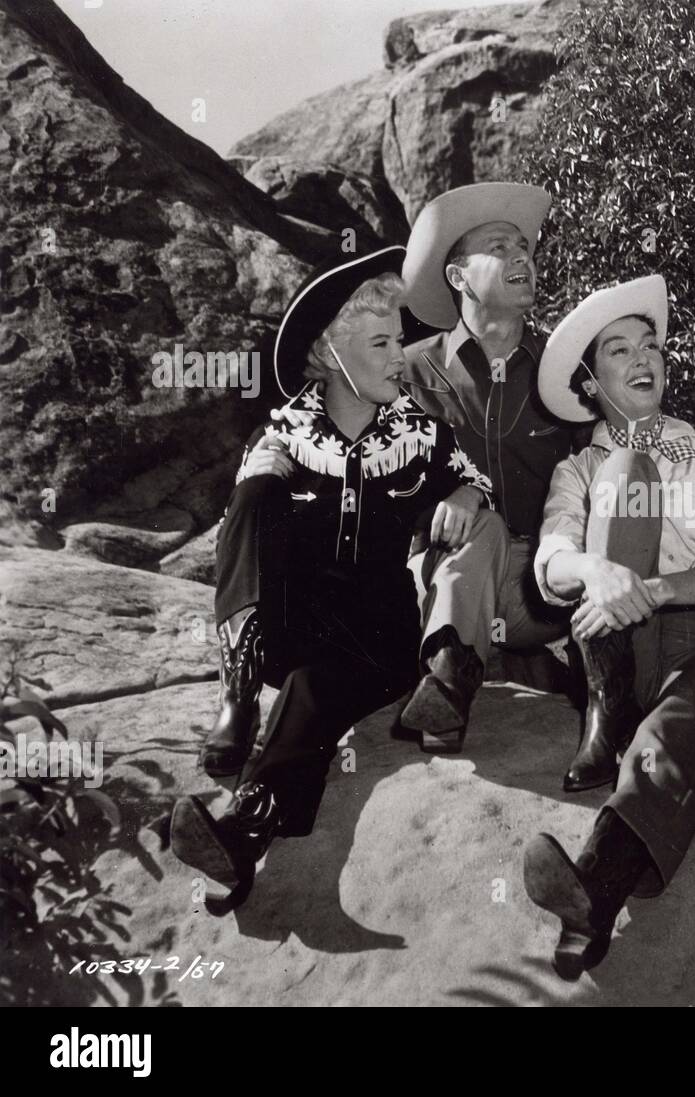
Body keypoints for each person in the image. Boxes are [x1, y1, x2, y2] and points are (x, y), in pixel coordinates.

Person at [176, 247, 493, 898]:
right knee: (258, 493)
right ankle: (237, 691)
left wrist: (465, 496)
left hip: (375, 636)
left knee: (311, 691)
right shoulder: (284, 434)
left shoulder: (422, 436)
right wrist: (264, 479)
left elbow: (475, 482)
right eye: (379, 342)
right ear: (330, 353)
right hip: (294, 622)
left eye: (398, 340)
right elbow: (245, 527)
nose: (396, 357)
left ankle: (240, 834)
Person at [522, 275, 695, 978]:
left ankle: (594, 890)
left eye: (652, 345)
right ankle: (606, 706)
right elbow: (550, 560)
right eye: (619, 351)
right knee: (625, 468)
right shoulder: (578, 468)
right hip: (618, 650)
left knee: (670, 739)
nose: (643, 360)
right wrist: (595, 571)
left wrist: (655, 589)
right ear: (589, 383)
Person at [289, 183, 589, 754]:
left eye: (526, 246)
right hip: (427, 573)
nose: (523, 256)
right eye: (500, 246)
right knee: (481, 523)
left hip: (541, 588)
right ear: (458, 278)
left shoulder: (569, 371)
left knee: (494, 527)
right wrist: (449, 496)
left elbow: (600, 475)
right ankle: (454, 677)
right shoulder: (404, 371)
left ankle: (450, 680)